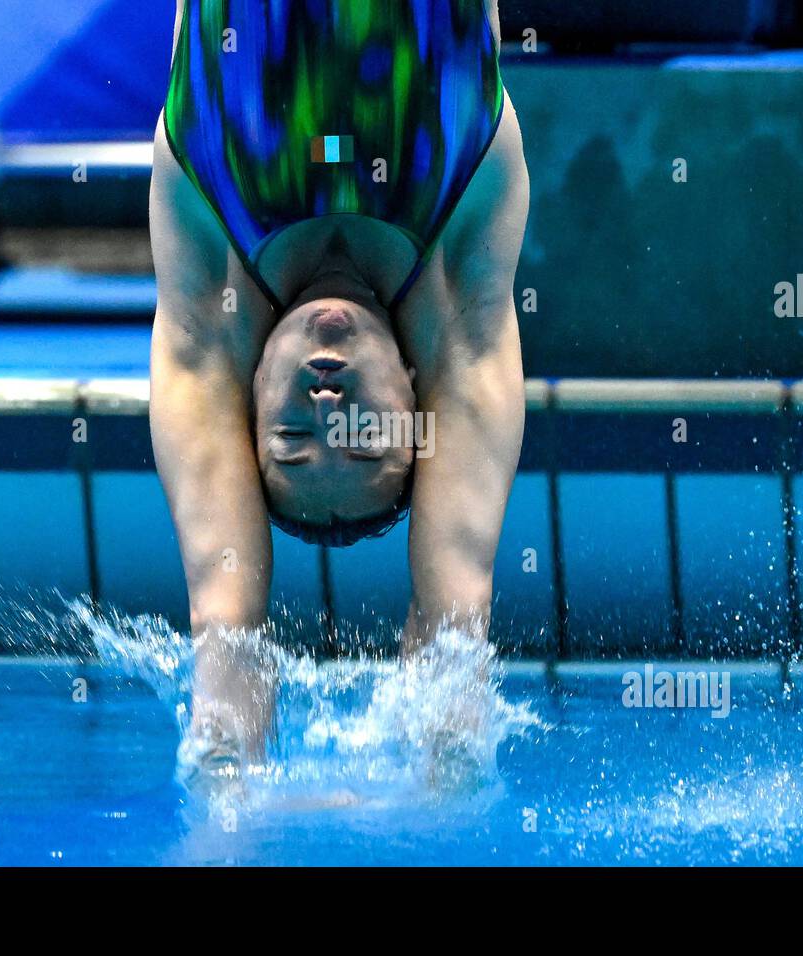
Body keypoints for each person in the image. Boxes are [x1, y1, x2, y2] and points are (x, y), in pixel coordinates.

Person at [148, 0, 529, 785]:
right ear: (422, 408)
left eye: (292, 439)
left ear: (245, 402)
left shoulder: (210, 290)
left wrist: (227, 801)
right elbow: (456, 615)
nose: (327, 409)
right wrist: (436, 801)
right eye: (362, 439)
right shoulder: (459, 285)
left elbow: (224, 636)